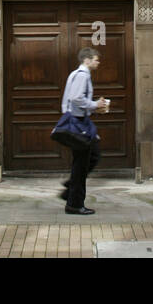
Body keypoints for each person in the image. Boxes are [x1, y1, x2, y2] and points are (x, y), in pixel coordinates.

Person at [56, 47, 109, 215]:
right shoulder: (82, 75)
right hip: (79, 123)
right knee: (84, 162)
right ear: (86, 60)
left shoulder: (75, 75)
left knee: (87, 159)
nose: (98, 62)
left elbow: (73, 100)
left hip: (80, 121)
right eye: (96, 59)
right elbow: (76, 98)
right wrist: (95, 105)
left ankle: (71, 191)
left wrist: (93, 107)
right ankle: (74, 203)